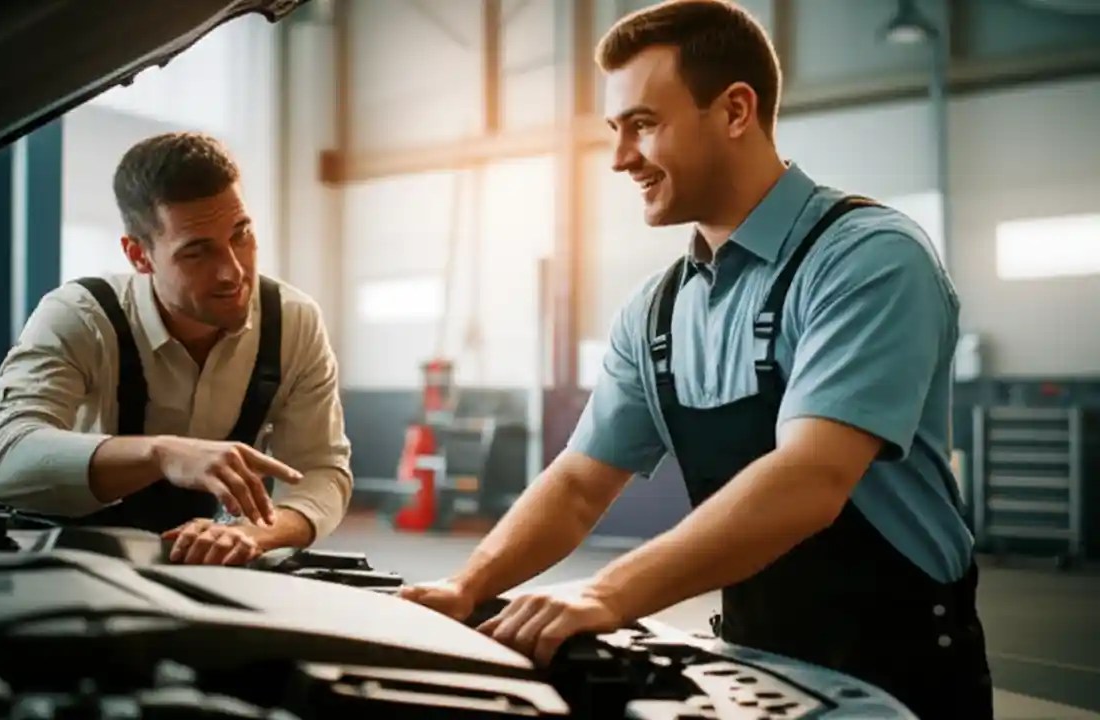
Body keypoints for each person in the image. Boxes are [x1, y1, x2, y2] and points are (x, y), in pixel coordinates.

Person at [397, 1, 992, 717]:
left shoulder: (868, 259)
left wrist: (607, 592)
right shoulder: (655, 312)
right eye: (615, 130)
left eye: (644, 124)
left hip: (904, 674)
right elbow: (580, 483)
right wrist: (467, 586)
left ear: (736, 110)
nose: (620, 158)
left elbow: (812, 478)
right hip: (755, 666)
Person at [0, 131, 353, 565]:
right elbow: (2, 456)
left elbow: (320, 470)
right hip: (68, 566)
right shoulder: (80, 316)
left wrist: (253, 533)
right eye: (197, 253)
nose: (232, 272)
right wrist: (163, 454)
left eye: (241, 234)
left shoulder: (293, 323)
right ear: (139, 255)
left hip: (202, 570)